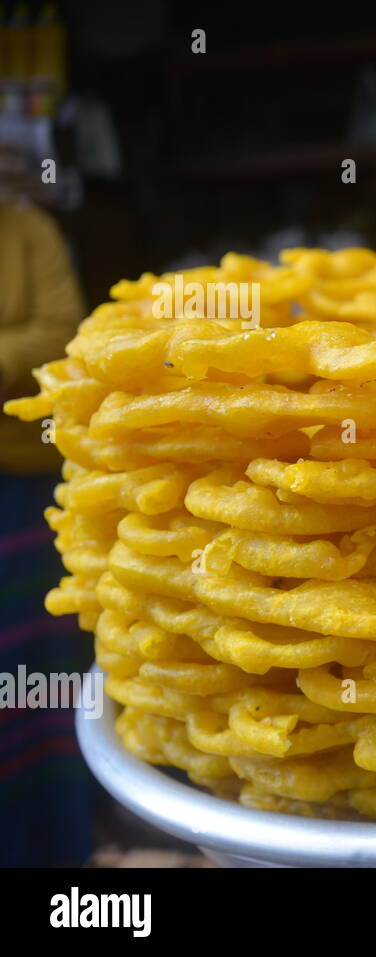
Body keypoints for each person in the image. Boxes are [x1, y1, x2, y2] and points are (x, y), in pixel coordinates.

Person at [0, 142, 95, 866]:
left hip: (25, 485)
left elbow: (59, 332)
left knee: (40, 685)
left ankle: (59, 855)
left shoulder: (26, 230)